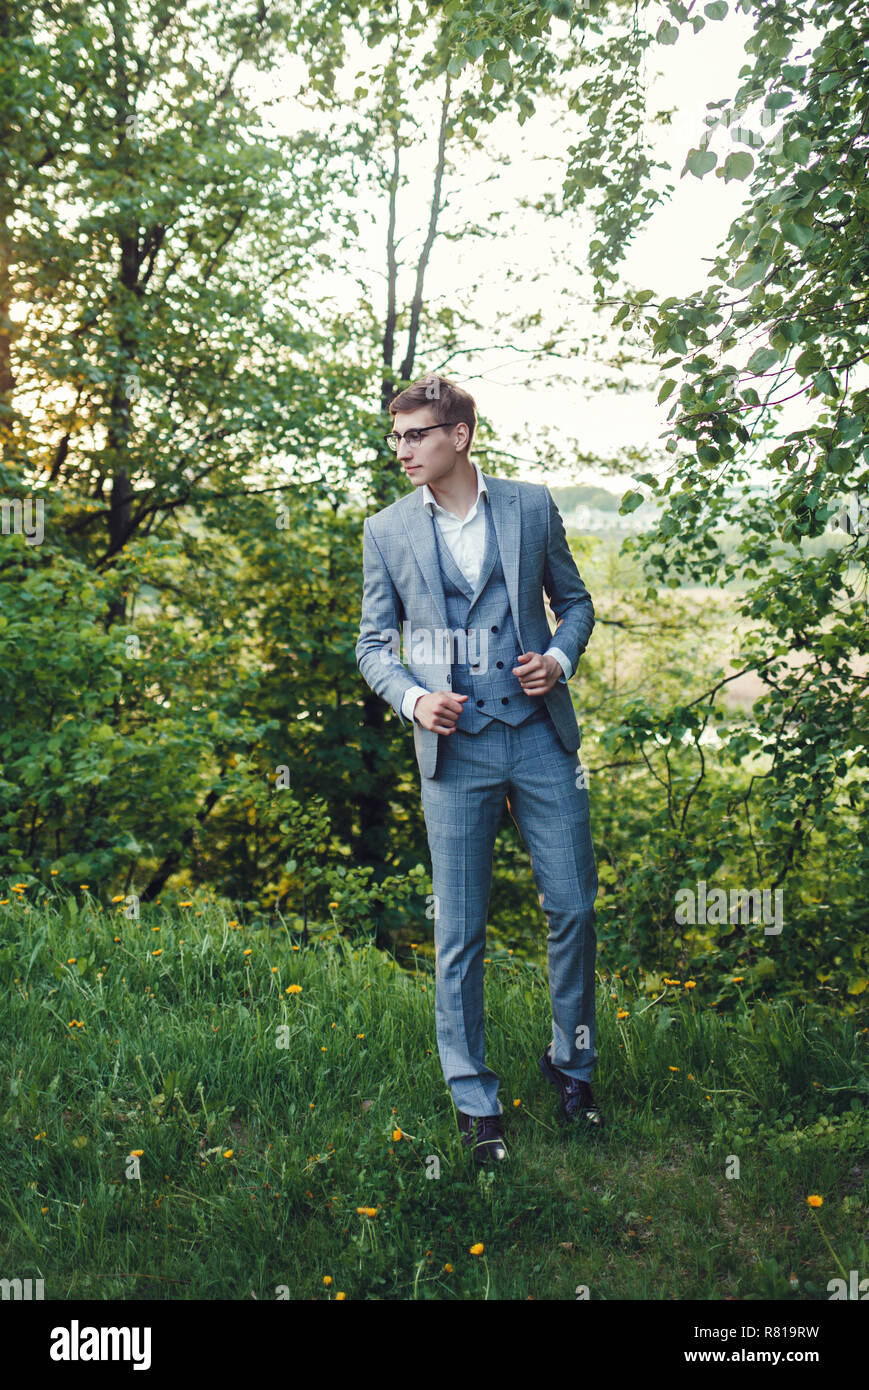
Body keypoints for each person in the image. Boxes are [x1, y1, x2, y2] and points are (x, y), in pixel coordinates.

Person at [355, 374, 603, 1165]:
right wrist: (411, 699)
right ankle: (474, 1097)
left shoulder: (530, 506)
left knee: (571, 910)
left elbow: (577, 603)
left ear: (459, 434)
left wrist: (559, 661)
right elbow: (371, 646)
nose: (402, 450)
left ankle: (572, 1067)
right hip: (453, 751)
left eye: (416, 434)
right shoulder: (386, 530)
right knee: (459, 932)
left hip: (536, 737)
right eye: (396, 437)